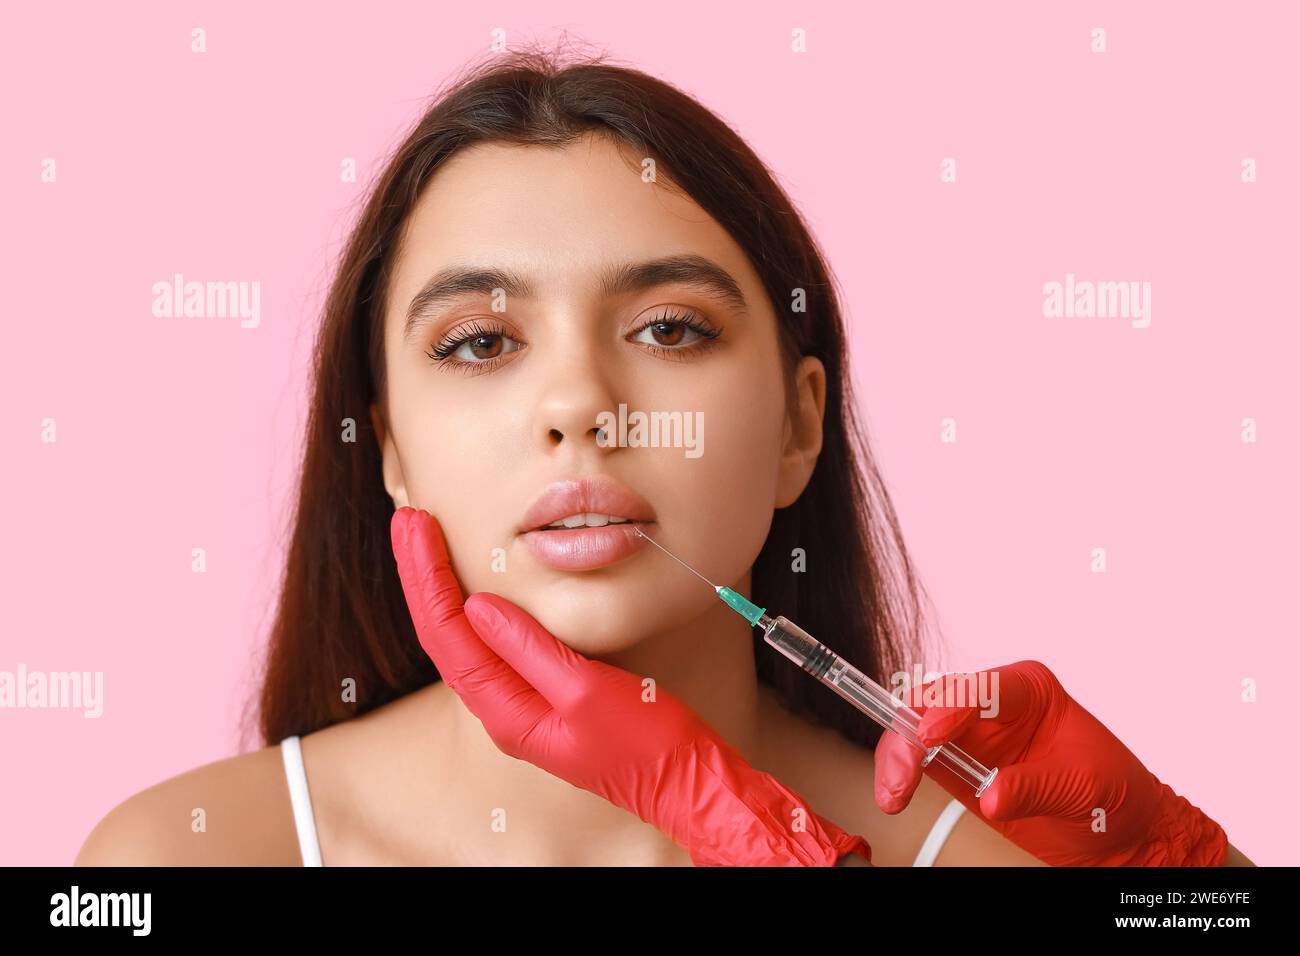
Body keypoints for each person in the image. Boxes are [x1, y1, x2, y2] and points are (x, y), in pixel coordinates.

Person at [74, 45, 1249, 867]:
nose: (582, 402)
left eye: (669, 328)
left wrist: (1181, 870)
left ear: (798, 425)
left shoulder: (973, 852)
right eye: (480, 340)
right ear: (387, 448)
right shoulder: (195, 855)